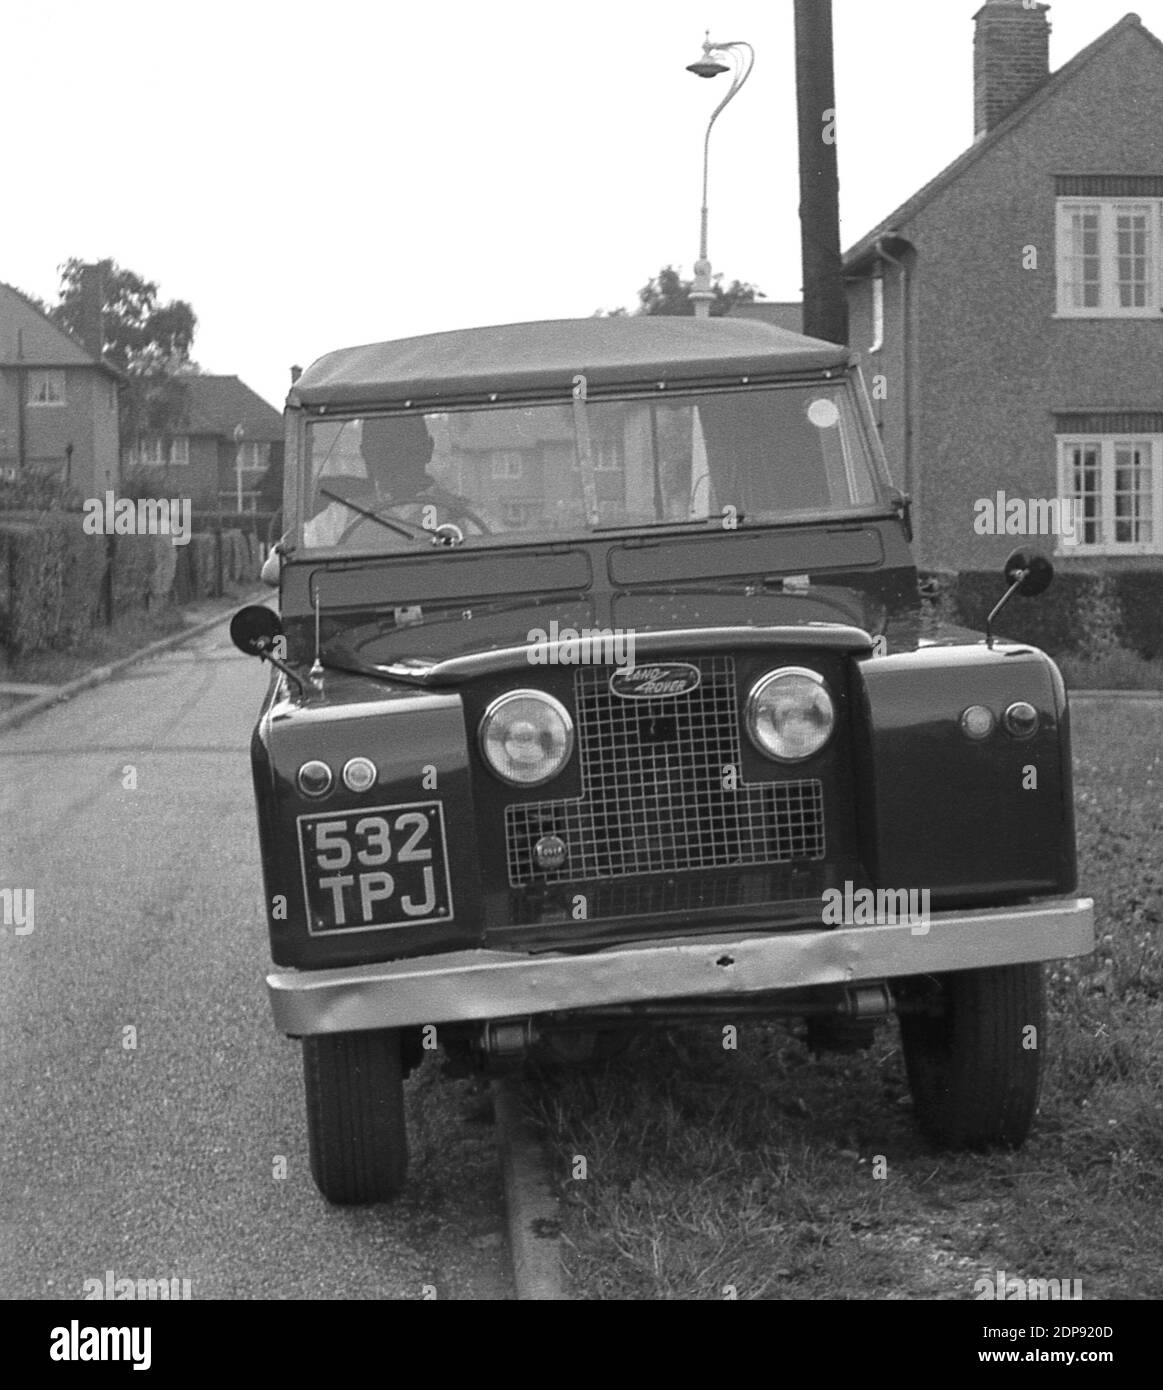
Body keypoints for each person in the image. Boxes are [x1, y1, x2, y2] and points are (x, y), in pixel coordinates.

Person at [304, 415, 481, 547]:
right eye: (384, 450)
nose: (396, 460)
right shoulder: (340, 517)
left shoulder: (466, 516)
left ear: (427, 449)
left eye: (406, 448)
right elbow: (280, 563)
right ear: (367, 455)